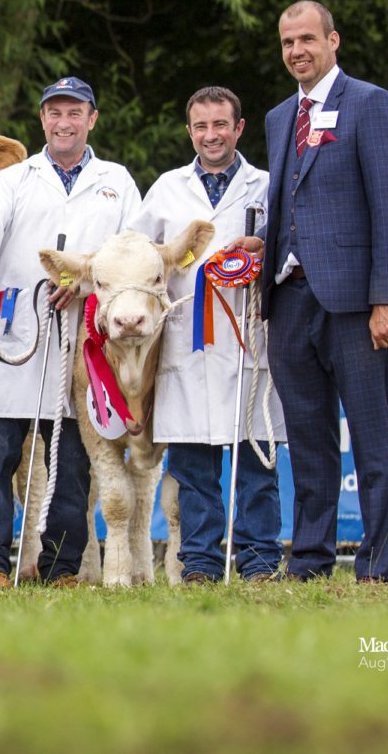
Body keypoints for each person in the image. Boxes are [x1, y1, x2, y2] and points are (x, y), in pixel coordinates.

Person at [0, 76, 141, 588]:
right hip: (12, 333)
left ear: (92, 119)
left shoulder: (117, 181)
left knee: (70, 462)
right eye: (55, 113)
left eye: (74, 112)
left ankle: (62, 567)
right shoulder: (15, 179)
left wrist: (85, 284)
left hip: (81, 339)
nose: (64, 123)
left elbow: (132, 247)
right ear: (42, 120)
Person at [255, 0, 388, 583]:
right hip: (290, 299)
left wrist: (386, 299)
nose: (297, 51)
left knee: (370, 438)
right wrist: (261, 250)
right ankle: (312, 560)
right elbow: (291, 204)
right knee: (309, 441)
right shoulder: (277, 118)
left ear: (333, 41)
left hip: (354, 304)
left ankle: (375, 563)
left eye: (307, 40)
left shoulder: (369, 104)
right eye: (288, 42)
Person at [131, 87, 287, 583]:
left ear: (239, 128)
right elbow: (138, 254)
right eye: (201, 126)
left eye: (221, 125)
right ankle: (198, 561)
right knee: (193, 467)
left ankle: (259, 560)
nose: (211, 135)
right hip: (189, 342)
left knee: (257, 462)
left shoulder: (267, 186)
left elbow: (287, 247)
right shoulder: (167, 188)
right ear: (189, 131)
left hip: (250, 337)